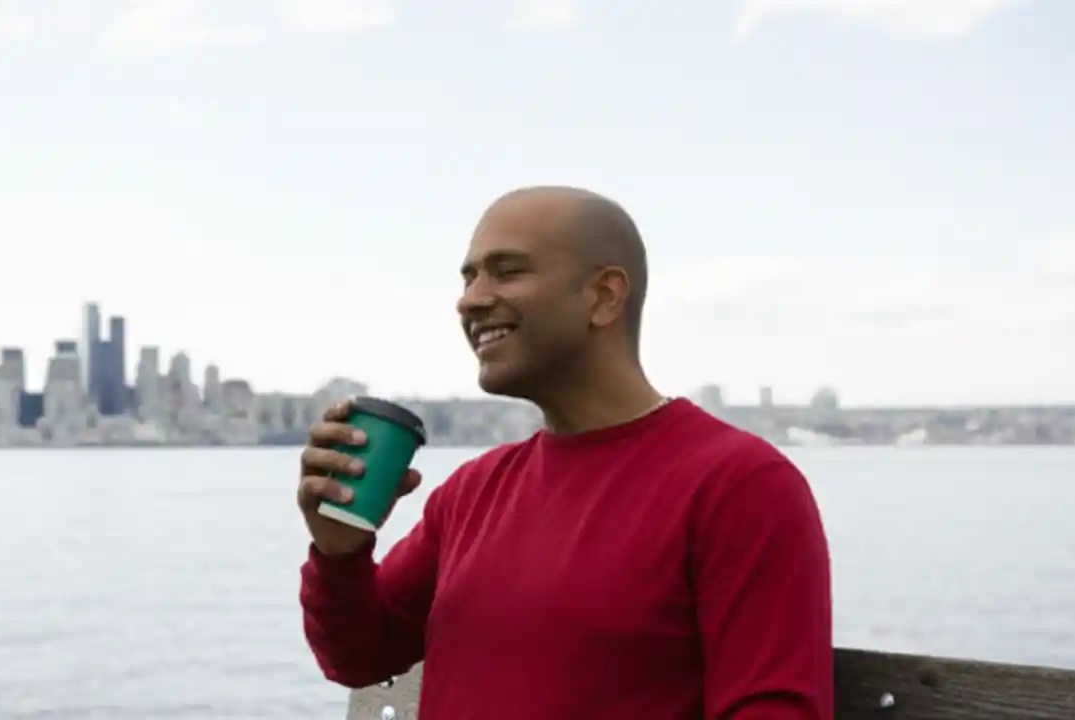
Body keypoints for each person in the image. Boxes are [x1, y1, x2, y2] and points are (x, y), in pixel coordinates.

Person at [297, 186, 834, 719]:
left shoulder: (741, 485)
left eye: (506, 271)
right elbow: (360, 655)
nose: (471, 299)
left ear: (603, 296)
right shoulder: (472, 491)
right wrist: (339, 553)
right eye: (469, 277)